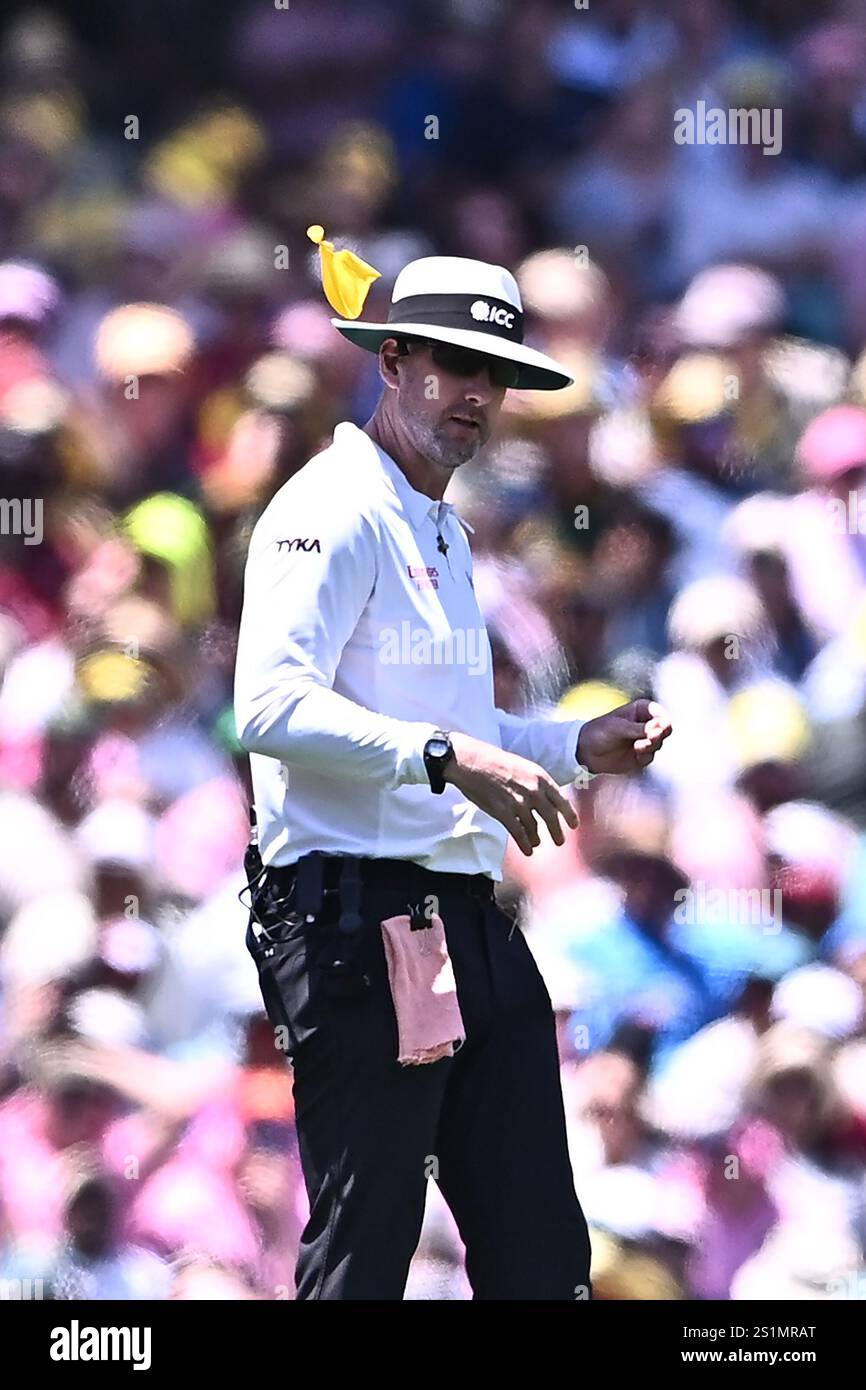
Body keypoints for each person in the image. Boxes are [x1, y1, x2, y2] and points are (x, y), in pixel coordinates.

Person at [233, 253, 672, 1300]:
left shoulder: (438, 522)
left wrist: (572, 745)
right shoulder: (332, 505)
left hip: (457, 916)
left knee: (540, 1254)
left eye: (494, 373)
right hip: (353, 917)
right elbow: (266, 705)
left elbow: (460, 734)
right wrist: (442, 755)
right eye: (451, 365)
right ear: (390, 360)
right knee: (366, 1249)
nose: (476, 393)